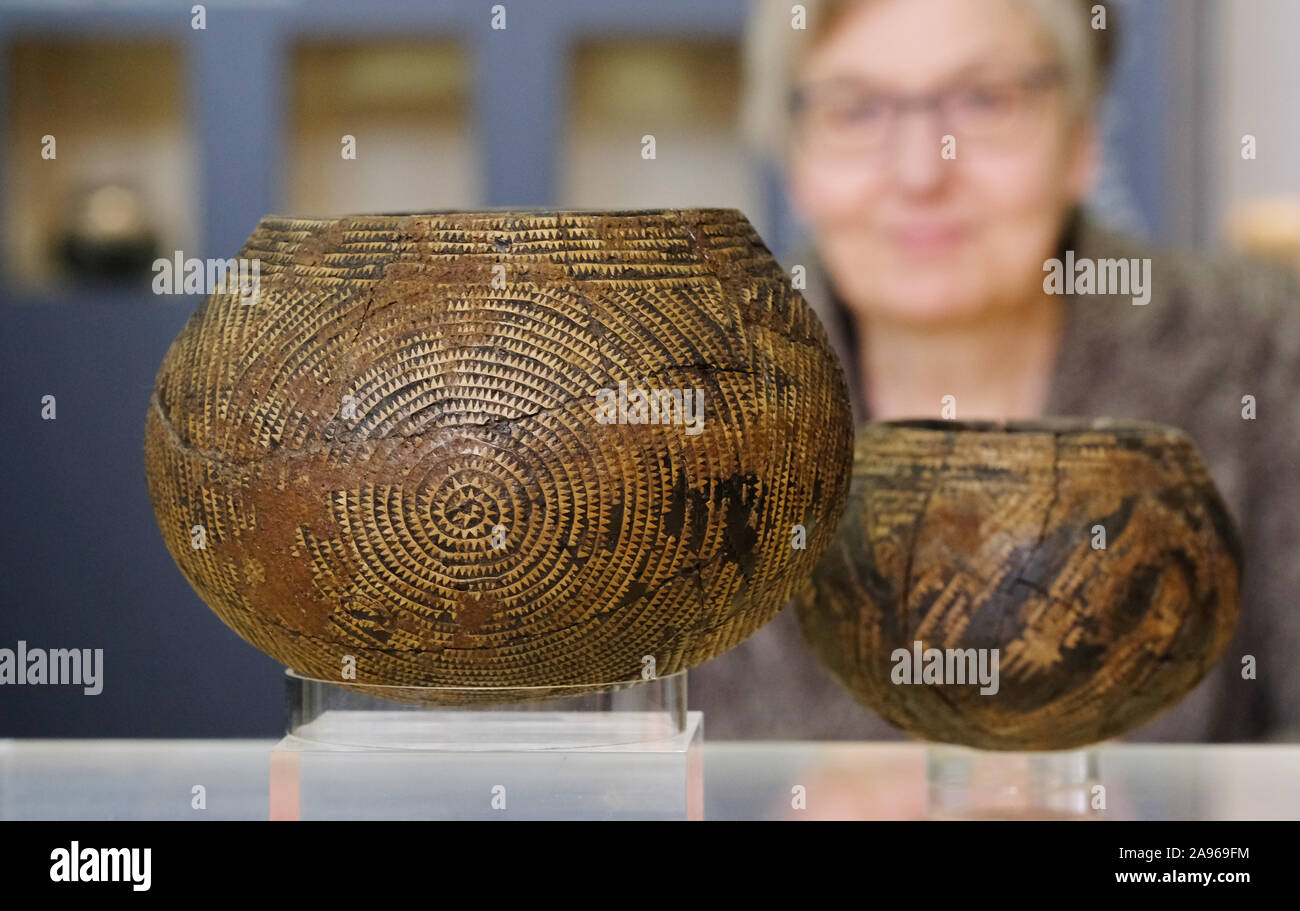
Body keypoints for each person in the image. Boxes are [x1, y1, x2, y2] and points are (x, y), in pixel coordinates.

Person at [690, 0, 1300, 742]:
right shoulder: (697, 399)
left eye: (985, 100)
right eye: (854, 111)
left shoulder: (1267, 354)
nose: (920, 173)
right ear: (793, 159)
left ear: (1082, 139)